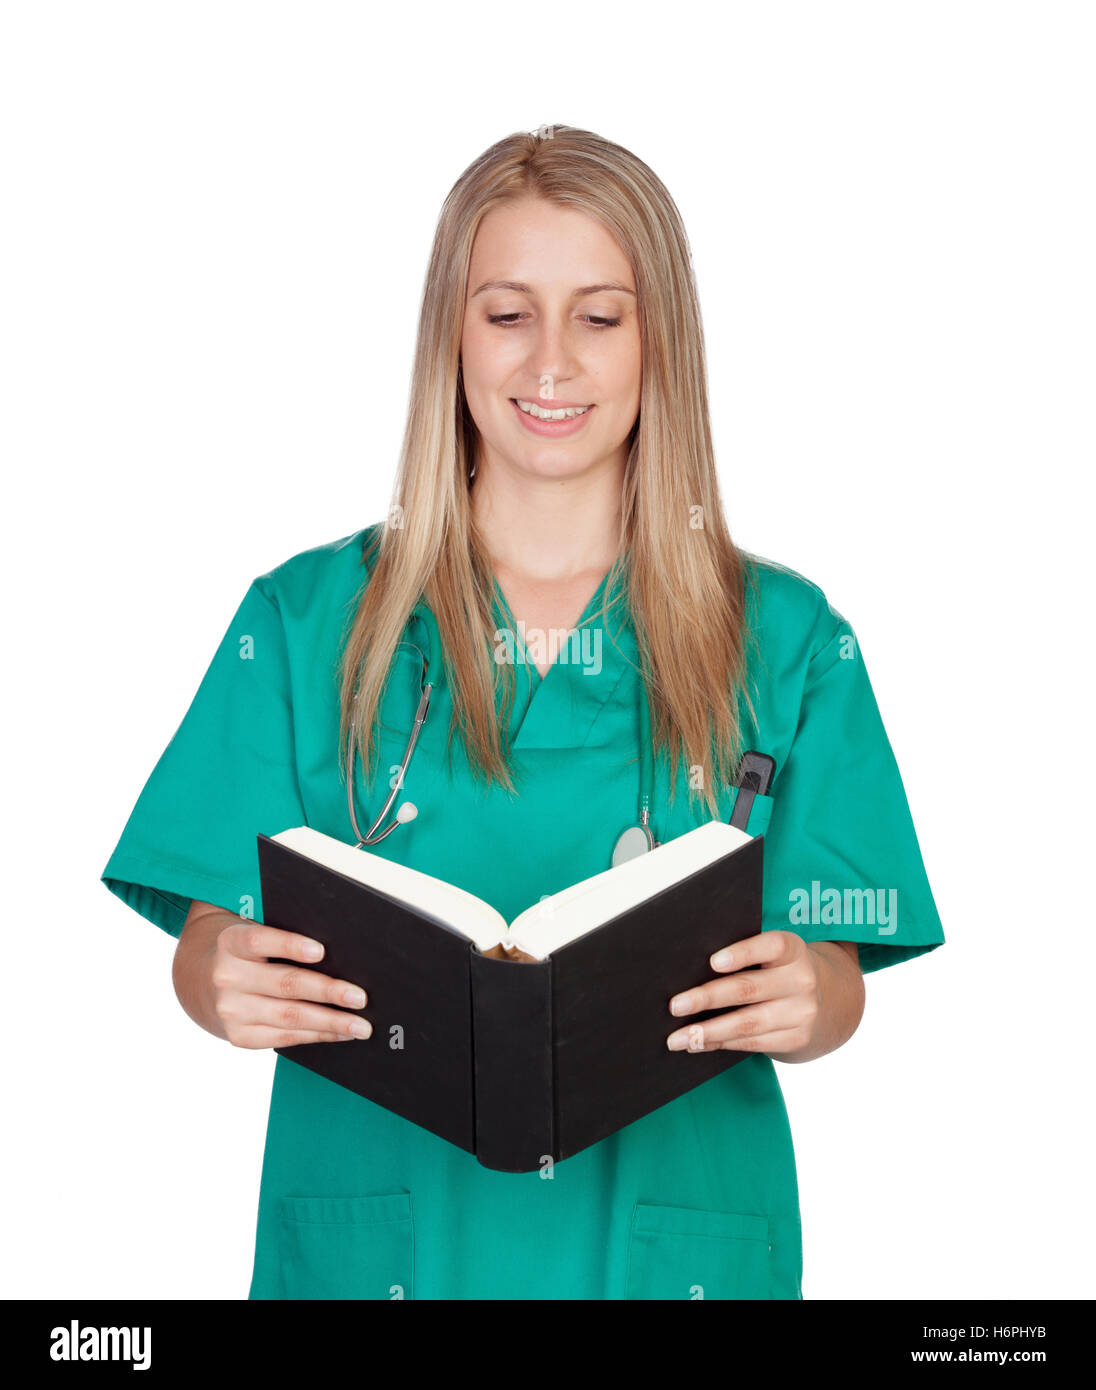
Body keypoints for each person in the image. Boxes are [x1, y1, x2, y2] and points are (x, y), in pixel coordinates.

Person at [101, 125, 945, 1300]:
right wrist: (218, 980)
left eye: (599, 317)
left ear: (661, 344)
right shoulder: (304, 621)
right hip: (382, 1249)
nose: (551, 361)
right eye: (507, 313)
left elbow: (838, 969)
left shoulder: (785, 637)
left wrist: (811, 997)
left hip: (670, 1247)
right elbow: (205, 937)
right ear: (451, 334)